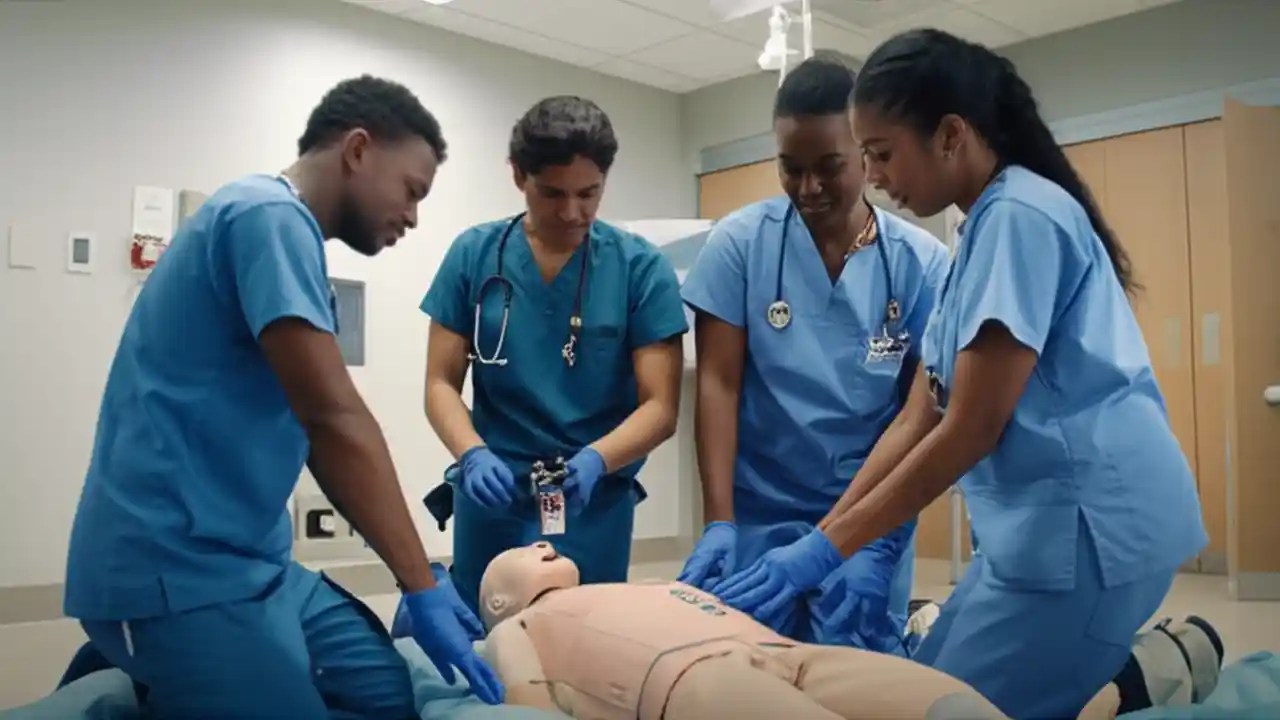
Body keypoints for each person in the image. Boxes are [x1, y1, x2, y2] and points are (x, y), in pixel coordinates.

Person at [712, 29, 1209, 719]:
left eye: (880, 155)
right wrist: (828, 536)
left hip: (1093, 536)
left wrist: (830, 550)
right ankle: (1148, 672)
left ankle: (1160, 674)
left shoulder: (1020, 218)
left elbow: (970, 429)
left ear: (950, 135)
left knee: (939, 707)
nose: (875, 177)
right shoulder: (975, 231)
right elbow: (921, 414)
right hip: (1034, 539)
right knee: (924, 682)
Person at [60, 75, 504, 718]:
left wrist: (418, 573)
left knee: (385, 693)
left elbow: (316, 427)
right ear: (357, 149)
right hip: (174, 572)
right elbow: (334, 418)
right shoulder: (265, 216)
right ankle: (151, 657)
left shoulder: (285, 237)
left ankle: (169, 676)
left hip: (254, 566)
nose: (412, 216)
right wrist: (423, 580)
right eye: (412, 191)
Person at [677, 54, 949, 650]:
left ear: (867, 157)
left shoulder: (919, 264)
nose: (808, 188)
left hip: (867, 511)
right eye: (790, 168)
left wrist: (872, 539)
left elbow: (920, 415)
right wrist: (720, 520)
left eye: (829, 167)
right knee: (751, 668)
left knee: (855, 672)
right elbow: (718, 386)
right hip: (760, 512)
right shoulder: (739, 246)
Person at [417, 95, 688, 616]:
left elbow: (661, 407)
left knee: (586, 644)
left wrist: (597, 460)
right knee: (486, 638)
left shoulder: (638, 268)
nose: (572, 212)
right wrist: (471, 453)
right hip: (491, 492)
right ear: (518, 175)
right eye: (552, 193)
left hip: (592, 500)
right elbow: (439, 383)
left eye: (589, 194)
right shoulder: (474, 255)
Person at [461, 542, 1211, 720]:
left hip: (790, 653)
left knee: (953, 705)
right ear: (497, 602)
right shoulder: (519, 625)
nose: (544, 543)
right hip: (691, 683)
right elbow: (524, 699)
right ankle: (1126, 691)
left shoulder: (641, 578)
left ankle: (1118, 692)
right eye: (525, 551)